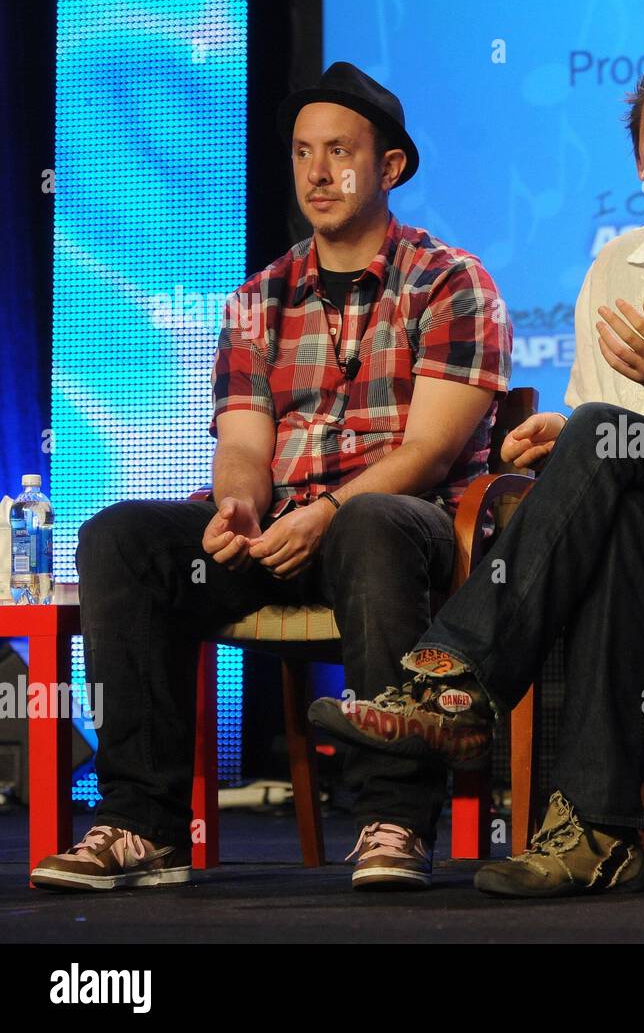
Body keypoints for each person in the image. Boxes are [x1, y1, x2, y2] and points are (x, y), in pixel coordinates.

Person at [309, 59, 644, 897]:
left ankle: (454, 679)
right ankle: (595, 833)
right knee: (613, 525)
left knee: (608, 444)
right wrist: (563, 436)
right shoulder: (615, 266)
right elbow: (601, 423)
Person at [31, 62, 512, 893]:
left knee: (371, 522)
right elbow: (246, 449)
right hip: (281, 529)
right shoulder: (258, 299)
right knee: (123, 537)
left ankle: (391, 818)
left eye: (339, 152)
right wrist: (239, 507)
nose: (318, 174)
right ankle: (139, 825)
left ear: (390, 167)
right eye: (301, 153)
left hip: (401, 528)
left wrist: (328, 511)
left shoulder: (449, 282)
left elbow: (429, 454)